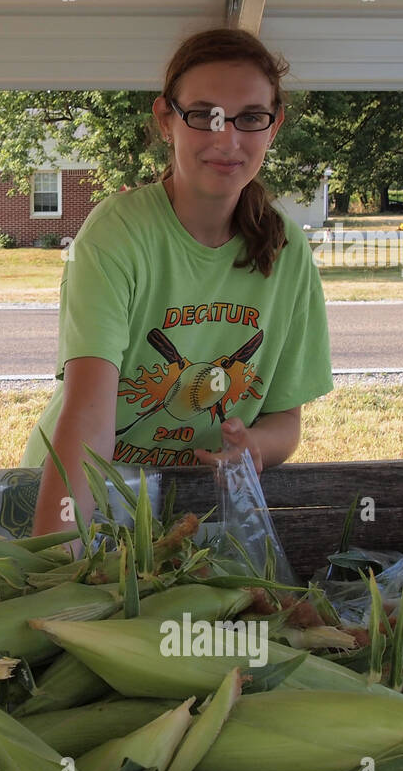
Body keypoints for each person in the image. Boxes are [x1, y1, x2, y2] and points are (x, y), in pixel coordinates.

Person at [25, 27, 333, 537]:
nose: (226, 139)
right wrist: (55, 560)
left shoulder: (286, 250)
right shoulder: (118, 233)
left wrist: (257, 447)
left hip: (193, 508)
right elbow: (88, 419)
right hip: (82, 494)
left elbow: (284, 423)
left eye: (250, 118)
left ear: (273, 126)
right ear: (166, 120)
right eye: (204, 115)